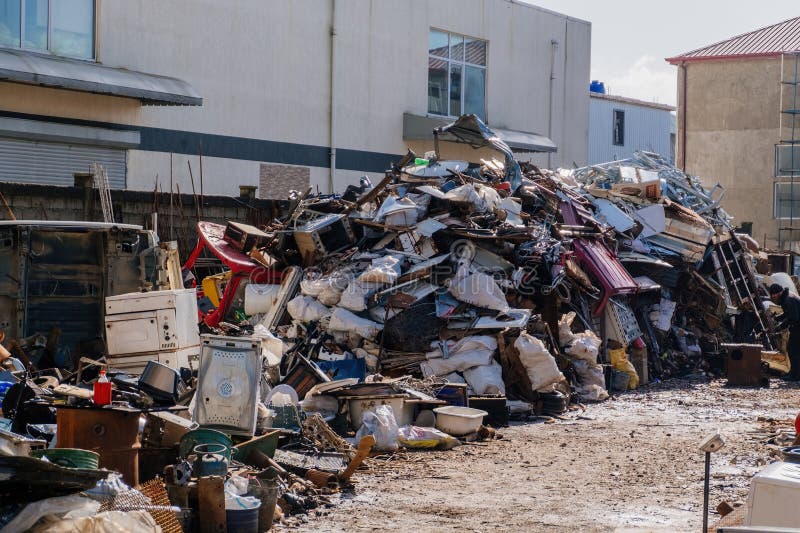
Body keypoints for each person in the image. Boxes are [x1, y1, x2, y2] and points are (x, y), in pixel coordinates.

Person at [769, 283, 800, 380]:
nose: (772, 297)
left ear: (777, 293)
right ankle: (794, 373)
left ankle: (795, 376)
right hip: (797, 327)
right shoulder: (787, 296)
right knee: (793, 350)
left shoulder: (788, 299)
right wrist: (778, 318)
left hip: (798, 327)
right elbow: (789, 312)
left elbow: (793, 317)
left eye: (773, 295)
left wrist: (780, 327)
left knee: (793, 351)